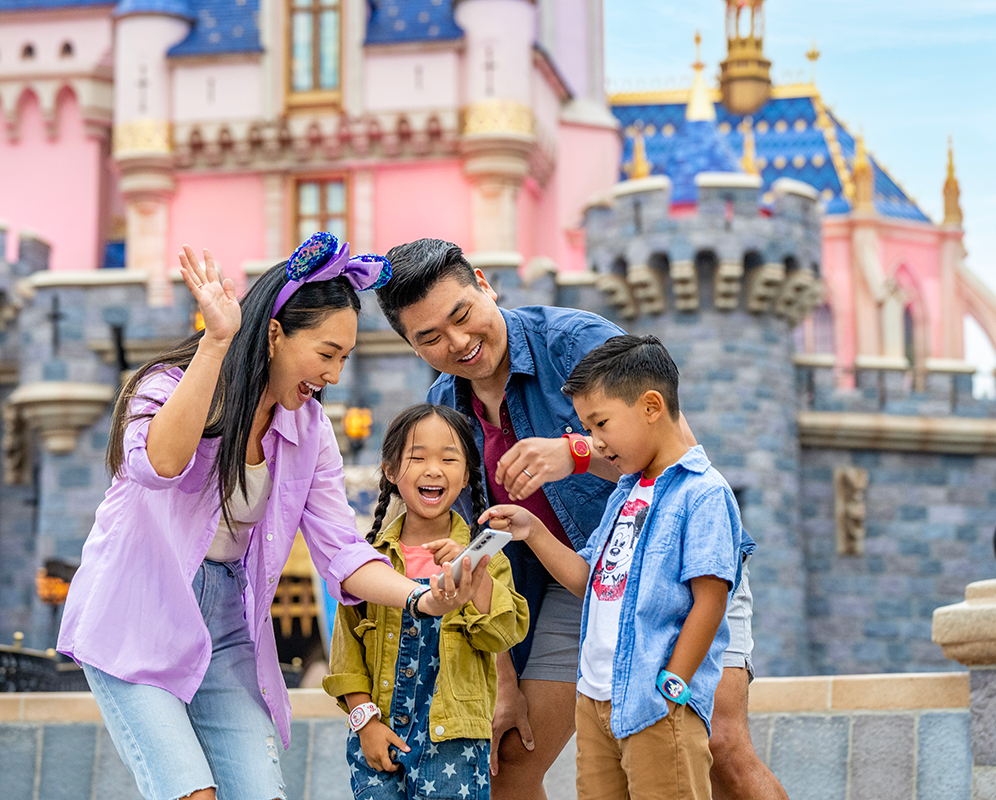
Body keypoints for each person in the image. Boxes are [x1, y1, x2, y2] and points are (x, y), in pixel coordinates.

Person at [57, 233, 486, 800]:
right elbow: (160, 463)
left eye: (345, 359)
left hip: (229, 624)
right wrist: (216, 344)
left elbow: (341, 550)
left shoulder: (309, 429)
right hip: (136, 610)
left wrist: (418, 596)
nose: (334, 376)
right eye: (326, 354)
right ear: (276, 334)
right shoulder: (167, 386)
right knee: (194, 795)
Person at [374, 239, 785, 800]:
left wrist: (574, 452)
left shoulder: (574, 342)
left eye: (462, 315)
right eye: (430, 338)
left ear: (483, 283)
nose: (459, 342)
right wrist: (503, 683)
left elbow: (681, 447)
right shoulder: (446, 408)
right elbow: (474, 552)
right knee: (512, 765)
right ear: (412, 347)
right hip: (573, 585)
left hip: (676, 565)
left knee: (721, 749)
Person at [482, 334, 750, 800]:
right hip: (596, 701)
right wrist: (533, 530)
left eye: (600, 423)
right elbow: (590, 581)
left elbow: (711, 601)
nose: (595, 442)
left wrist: (672, 687)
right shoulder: (625, 492)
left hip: (656, 704)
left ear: (651, 406)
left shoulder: (703, 493)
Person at [323, 404, 530, 800]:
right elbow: (346, 655)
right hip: (378, 736)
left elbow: (502, 632)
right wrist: (364, 721)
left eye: (449, 459)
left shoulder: (485, 557)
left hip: (454, 742)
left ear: (466, 474)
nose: (433, 469)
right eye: (417, 457)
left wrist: (475, 572)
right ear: (389, 470)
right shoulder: (368, 561)